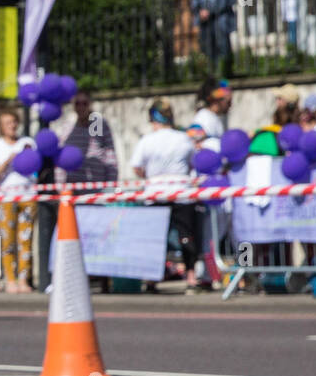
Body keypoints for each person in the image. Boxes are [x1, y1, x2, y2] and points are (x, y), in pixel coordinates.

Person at [130, 98, 198, 291]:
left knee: (154, 237)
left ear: (153, 119)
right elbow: (193, 163)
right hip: (182, 190)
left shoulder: (147, 140)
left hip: (155, 192)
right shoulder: (184, 138)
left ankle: (152, 280)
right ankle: (191, 278)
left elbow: (136, 167)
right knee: (186, 235)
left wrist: (151, 176)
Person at [0, 105, 36, 292]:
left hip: (28, 196)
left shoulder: (27, 142)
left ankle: (24, 279)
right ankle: (10, 279)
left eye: (14, 122)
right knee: (7, 241)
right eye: (7, 123)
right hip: (5, 197)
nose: (12, 126)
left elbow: (35, 166)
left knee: (26, 239)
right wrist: (9, 160)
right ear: (1, 126)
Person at [57, 90, 118, 184]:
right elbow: (61, 155)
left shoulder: (99, 124)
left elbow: (110, 156)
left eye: (84, 103)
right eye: (77, 103)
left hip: (96, 187)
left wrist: (111, 184)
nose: (81, 107)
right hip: (71, 187)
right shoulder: (68, 125)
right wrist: (60, 184)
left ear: (90, 104)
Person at [192, 76, 231, 146]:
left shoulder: (213, 117)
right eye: (228, 102)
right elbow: (198, 148)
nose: (230, 105)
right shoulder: (204, 119)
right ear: (217, 100)